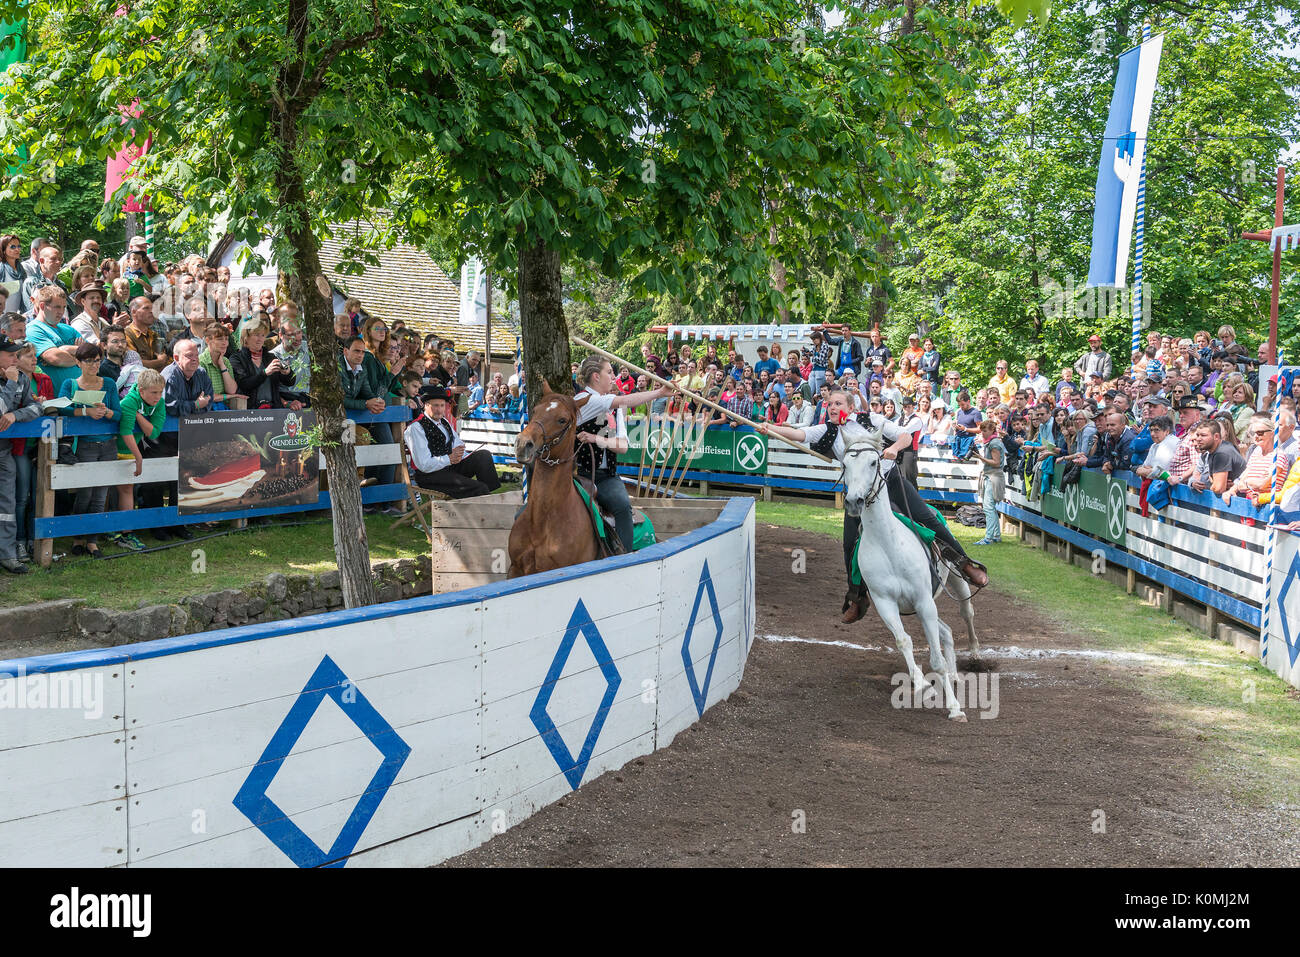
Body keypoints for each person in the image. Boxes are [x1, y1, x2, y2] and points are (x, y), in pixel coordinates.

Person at [761, 388, 988, 624]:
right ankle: (858, 598)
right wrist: (770, 429)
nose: (832, 407)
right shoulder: (827, 431)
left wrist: (893, 448)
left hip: (891, 481)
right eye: (829, 404)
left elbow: (906, 437)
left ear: (851, 407)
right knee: (849, 544)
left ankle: (965, 565)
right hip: (859, 493)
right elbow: (798, 434)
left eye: (838, 403)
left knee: (928, 519)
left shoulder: (870, 420)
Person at [57, 343, 121, 558]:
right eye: (89, 361)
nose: (94, 365)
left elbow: (119, 414)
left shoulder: (109, 383)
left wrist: (107, 412)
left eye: (97, 360)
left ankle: (92, 541)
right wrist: (85, 411)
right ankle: (78, 538)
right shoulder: (71, 383)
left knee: (100, 495)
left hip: (108, 445)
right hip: (84, 444)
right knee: (84, 493)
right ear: (78, 362)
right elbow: (60, 406)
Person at [405, 384, 503, 499]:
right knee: (478, 488)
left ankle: (491, 498)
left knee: (483, 455)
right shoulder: (416, 428)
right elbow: (423, 464)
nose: (439, 409)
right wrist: (449, 458)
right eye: (435, 406)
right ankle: (485, 501)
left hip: (448, 467)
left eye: (442, 405)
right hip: (430, 476)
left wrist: (459, 452)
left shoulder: (444, 422)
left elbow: (457, 442)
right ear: (426, 405)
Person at [0, 333, 42, 573]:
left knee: (7, 504)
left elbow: (36, 407)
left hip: (4, 453)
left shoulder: (22, 379)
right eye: (10, 355)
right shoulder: (16, 380)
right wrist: (11, 384)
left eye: (17, 355)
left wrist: (16, 415)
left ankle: (7, 554)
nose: (15, 359)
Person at [230, 319, 297, 409]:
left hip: (273, 409)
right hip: (248, 411)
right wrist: (265, 373)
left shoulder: (270, 357)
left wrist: (287, 373)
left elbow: (289, 382)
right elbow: (244, 384)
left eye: (263, 335)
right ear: (246, 337)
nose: (260, 339)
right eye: (257, 335)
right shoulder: (236, 358)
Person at [971, 420, 1006, 546]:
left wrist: (981, 458)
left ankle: (989, 537)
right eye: (982, 431)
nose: (983, 433)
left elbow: (996, 462)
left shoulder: (995, 443)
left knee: (988, 507)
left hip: (993, 477)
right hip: (990, 476)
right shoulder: (991, 442)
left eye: (985, 431)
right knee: (989, 507)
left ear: (992, 430)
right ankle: (996, 535)